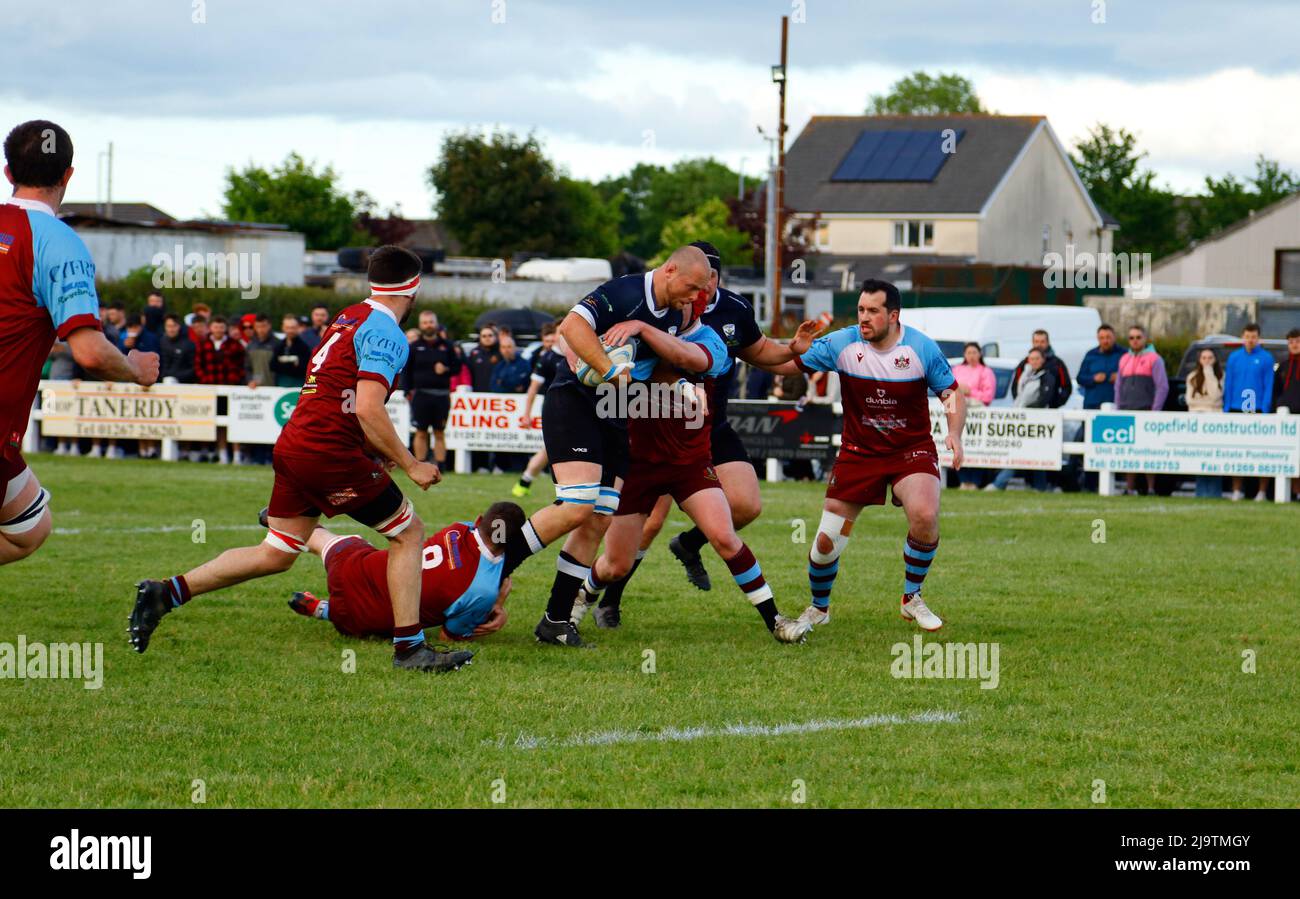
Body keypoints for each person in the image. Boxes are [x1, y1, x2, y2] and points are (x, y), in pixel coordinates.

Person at [128, 246, 463, 673]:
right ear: (413, 289)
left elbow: (334, 394)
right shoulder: (387, 332)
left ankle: (167, 592)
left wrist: (375, 449)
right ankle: (410, 649)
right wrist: (412, 461)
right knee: (409, 533)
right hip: (328, 453)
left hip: (297, 445)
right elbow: (367, 407)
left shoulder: (348, 317)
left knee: (278, 552)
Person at [504, 245, 717, 647]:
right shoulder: (624, 292)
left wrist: (681, 388)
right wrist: (607, 368)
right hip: (576, 404)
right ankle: (490, 571)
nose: (693, 298)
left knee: (599, 518)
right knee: (578, 505)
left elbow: (651, 374)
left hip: (617, 415)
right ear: (670, 270)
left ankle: (555, 620)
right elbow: (570, 326)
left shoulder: (672, 316)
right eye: (691, 287)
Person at [572, 314, 810, 644]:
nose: (688, 301)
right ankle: (584, 596)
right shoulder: (640, 335)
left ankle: (777, 622)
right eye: (684, 294)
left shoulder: (710, 338)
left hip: (690, 464)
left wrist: (668, 369)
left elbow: (688, 359)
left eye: (694, 295)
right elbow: (631, 370)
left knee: (725, 537)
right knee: (615, 565)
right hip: (639, 466)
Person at [0, 119, 159, 565]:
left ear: (8, 172)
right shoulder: (58, 243)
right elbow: (89, 351)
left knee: (31, 527)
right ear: (69, 175)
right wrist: (135, 369)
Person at [768, 279, 965, 633]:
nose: (864, 317)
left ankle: (912, 598)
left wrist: (954, 433)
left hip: (911, 450)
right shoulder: (841, 343)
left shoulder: (921, 348)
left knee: (925, 513)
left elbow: (950, 394)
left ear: (893, 315)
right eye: (861, 310)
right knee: (826, 543)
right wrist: (758, 349)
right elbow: (785, 366)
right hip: (859, 453)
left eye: (873, 311)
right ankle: (819, 607)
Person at [288, 501, 527, 645]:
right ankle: (321, 609)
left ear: (478, 520)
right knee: (369, 614)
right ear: (515, 542)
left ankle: (284, 524)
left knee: (324, 540)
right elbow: (450, 636)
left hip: (354, 567)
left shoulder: (459, 528)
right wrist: (497, 604)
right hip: (360, 619)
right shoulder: (483, 590)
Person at [988, 348, 1057, 491]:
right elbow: (1018, 393)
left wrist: (1028, 410)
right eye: (1031, 359)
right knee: (1028, 453)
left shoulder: (1047, 376)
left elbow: (1044, 398)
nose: (1034, 361)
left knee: (1030, 453)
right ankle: (1040, 486)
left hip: (1037, 421)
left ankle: (999, 483)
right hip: (1022, 420)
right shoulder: (1026, 375)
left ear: (1043, 360)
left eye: (1037, 358)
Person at [1115, 325, 1169, 496]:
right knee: (1128, 453)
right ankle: (1130, 488)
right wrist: (1118, 407)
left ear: (1145, 339)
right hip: (1127, 410)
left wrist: (1155, 411)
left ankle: (1151, 487)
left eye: (1138, 337)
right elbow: (1118, 386)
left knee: (1148, 451)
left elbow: (1162, 387)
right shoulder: (1124, 359)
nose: (1135, 340)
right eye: (1131, 337)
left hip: (1146, 411)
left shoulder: (1154, 359)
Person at [403, 309, 461, 468]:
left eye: (431, 322)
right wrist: (407, 391)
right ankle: (420, 465)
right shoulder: (414, 347)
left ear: (436, 324)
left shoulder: (448, 346)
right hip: (420, 396)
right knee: (420, 432)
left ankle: (441, 466)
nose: (428, 325)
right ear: (420, 325)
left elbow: (457, 367)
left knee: (439, 432)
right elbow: (406, 371)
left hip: (442, 396)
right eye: (425, 322)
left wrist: (446, 369)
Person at [1223, 322, 1275, 501]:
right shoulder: (1234, 358)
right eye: (1247, 336)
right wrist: (1227, 406)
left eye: (1253, 337)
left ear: (1258, 338)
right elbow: (1229, 383)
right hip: (1237, 409)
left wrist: (1266, 408)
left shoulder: (1267, 358)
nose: (1250, 340)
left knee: (1260, 452)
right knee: (1237, 451)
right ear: (1242, 337)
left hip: (1257, 410)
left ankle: (1261, 491)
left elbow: (1268, 385)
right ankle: (1237, 490)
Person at [513, 321, 560, 498]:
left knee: (551, 449)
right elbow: (533, 388)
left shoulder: (578, 354)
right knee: (554, 448)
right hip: (555, 409)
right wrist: (526, 414)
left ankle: (525, 480)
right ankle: (526, 480)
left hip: (576, 409)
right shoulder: (547, 358)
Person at [195, 314, 248, 464]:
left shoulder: (235, 345)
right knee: (217, 424)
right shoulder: (203, 344)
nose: (218, 330)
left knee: (233, 422)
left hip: (231, 389)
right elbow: (198, 366)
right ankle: (222, 453)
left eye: (221, 327)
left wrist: (233, 381)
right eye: (215, 327)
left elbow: (241, 367)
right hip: (210, 389)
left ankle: (237, 454)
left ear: (226, 329)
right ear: (210, 328)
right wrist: (206, 381)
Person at [951, 342, 995, 490]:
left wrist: (970, 392)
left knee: (977, 445)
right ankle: (963, 480)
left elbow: (988, 396)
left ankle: (975, 481)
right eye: (968, 353)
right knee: (960, 443)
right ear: (964, 354)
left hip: (977, 414)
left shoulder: (986, 371)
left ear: (980, 354)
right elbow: (948, 389)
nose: (971, 356)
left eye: (974, 352)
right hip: (960, 412)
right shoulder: (957, 369)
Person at [1186, 347, 1224, 499]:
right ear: (1199, 360)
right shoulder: (1192, 377)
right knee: (1200, 455)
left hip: (1215, 423)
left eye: (1210, 358)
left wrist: (1209, 373)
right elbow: (1190, 400)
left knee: (1213, 456)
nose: (1207, 361)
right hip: (1196, 421)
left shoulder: (1220, 376)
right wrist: (1204, 405)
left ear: (1215, 360)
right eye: (1204, 358)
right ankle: (1201, 492)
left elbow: (1215, 397)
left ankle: (1215, 492)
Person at [1011, 329, 1071, 407]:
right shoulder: (1025, 363)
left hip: (1049, 410)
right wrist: (1021, 401)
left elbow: (1066, 387)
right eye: (1036, 341)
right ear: (1032, 342)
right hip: (1026, 408)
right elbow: (1016, 385)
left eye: (1042, 341)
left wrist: (1055, 404)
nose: (1039, 344)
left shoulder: (1057, 363)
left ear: (1048, 342)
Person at [1077, 324, 1122, 410]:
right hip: (1092, 405)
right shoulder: (1090, 355)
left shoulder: (1123, 354)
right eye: (1102, 338)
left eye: (1108, 337)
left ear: (1114, 337)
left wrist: (1120, 377)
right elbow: (1080, 378)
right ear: (1098, 339)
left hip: (1115, 405)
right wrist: (1093, 378)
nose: (1105, 341)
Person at [271, 314, 310, 387]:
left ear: (298, 328)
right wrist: (293, 363)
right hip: (281, 385)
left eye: (292, 328)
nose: (290, 330)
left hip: (298, 385)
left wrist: (283, 363)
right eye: (287, 327)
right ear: (283, 328)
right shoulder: (279, 346)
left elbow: (306, 367)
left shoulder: (304, 346)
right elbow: (272, 365)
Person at [159, 314, 196, 383]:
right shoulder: (161, 342)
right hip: (161, 382)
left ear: (179, 326)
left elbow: (193, 368)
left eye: (174, 326)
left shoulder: (188, 344)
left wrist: (176, 377)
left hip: (183, 384)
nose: (171, 329)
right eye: (168, 326)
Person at [244, 313, 277, 388]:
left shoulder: (277, 344)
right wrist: (250, 380)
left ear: (269, 326)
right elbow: (247, 367)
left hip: (274, 387)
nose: (261, 329)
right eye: (258, 326)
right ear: (254, 327)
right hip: (255, 388)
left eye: (263, 326)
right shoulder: (250, 345)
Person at [466, 324, 502, 392]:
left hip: (498, 394)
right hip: (478, 394)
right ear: (480, 338)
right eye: (484, 336)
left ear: (495, 337)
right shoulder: (474, 353)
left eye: (490, 335)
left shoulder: (501, 353)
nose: (487, 338)